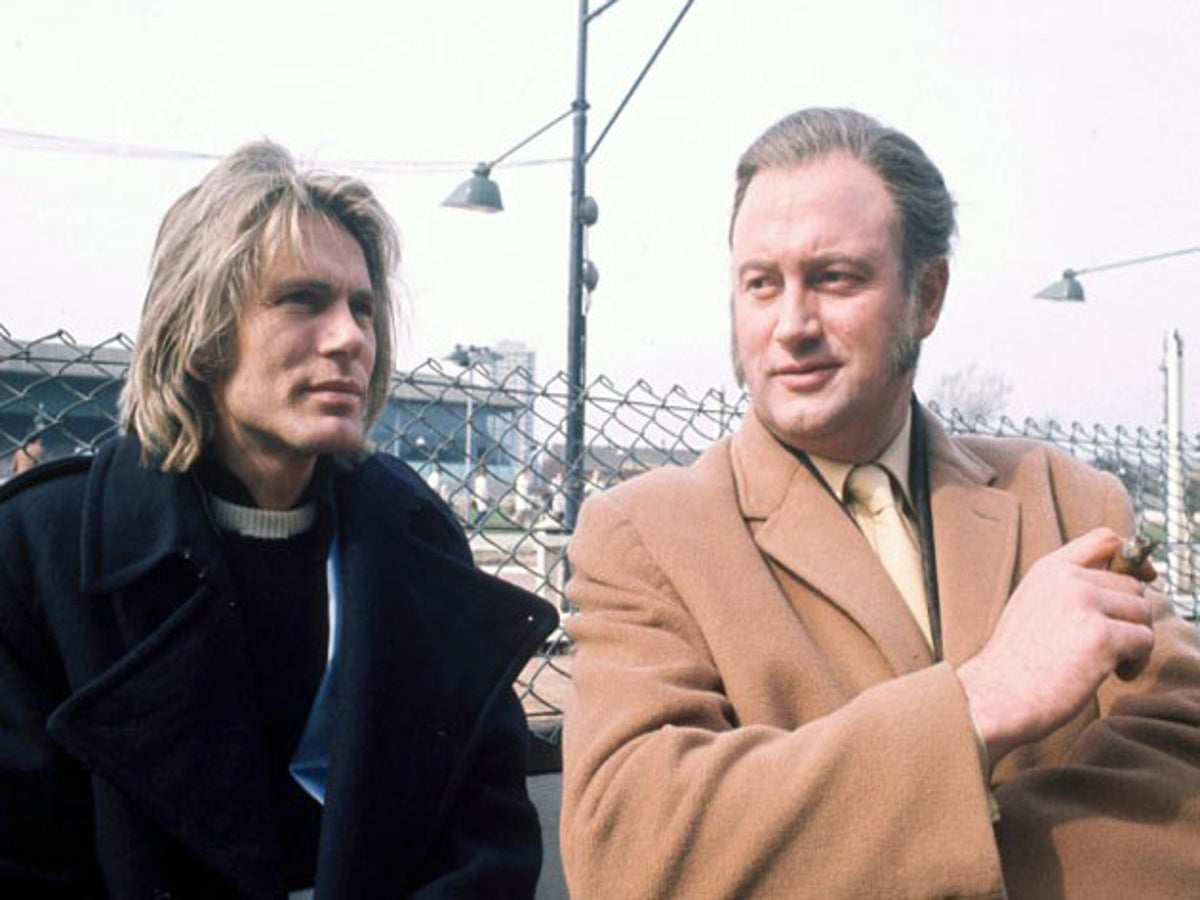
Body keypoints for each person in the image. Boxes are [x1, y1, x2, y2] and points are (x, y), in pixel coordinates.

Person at [560, 108, 1200, 898]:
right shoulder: (645, 534)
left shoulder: (1067, 502)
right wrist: (983, 698)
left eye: (835, 278)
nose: (791, 326)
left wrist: (892, 850)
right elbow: (632, 850)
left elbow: (1186, 765)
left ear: (927, 296)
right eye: (761, 284)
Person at [0, 141, 557, 898]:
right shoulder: (41, 555)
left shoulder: (417, 539)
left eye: (363, 308)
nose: (350, 337)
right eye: (303, 299)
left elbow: (485, 834)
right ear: (199, 331)